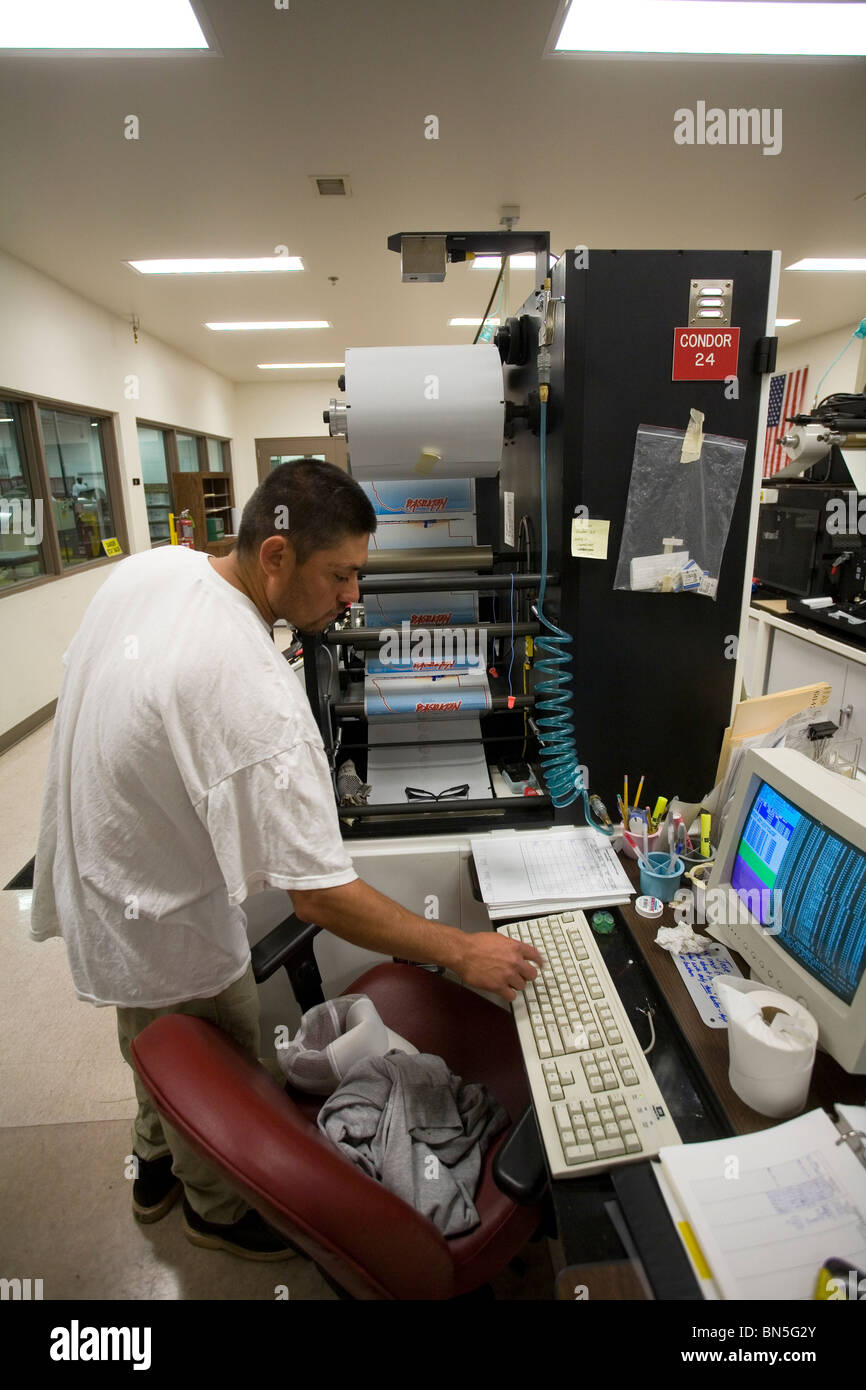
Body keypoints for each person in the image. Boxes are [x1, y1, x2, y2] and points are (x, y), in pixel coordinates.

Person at [30, 458, 542, 1261]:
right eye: (340, 575)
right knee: (208, 1053)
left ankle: (153, 1164)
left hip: (107, 862)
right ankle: (214, 1208)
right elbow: (320, 897)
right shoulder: (251, 691)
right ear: (275, 556)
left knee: (149, 1038)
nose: (353, 599)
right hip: (162, 911)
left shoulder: (160, 567)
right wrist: (461, 949)